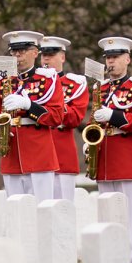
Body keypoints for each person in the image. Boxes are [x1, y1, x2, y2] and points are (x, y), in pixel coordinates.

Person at [90, 37, 132, 263]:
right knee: (108, 210)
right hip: (104, 154)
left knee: (130, 213)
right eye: (108, 58)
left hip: (127, 154)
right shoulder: (100, 88)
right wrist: (91, 137)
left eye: (115, 57)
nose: (111, 62)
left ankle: (131, 260)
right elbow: (93, 119)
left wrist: (114, 116)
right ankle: (110, 256)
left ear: (127, 59)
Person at [38, 36, 89, 198]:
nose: (46, 58)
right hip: (36, 152)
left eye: (51, 54)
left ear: (62, 57)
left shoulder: (74, 84)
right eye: (43, 54)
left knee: (63, 208)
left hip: (62, 153)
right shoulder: (30, 84)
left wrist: (55, 106)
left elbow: (74, 118)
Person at [0, 29, 43, 196]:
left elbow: (55, 116)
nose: (17, 55)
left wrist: (29, 105)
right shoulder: (4, 81)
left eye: (22, 50)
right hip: (11, 155)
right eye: (14, 51)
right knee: (14, 213)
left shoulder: (47, 79)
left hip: (38, 155)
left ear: (35, 52)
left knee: (41, 211)